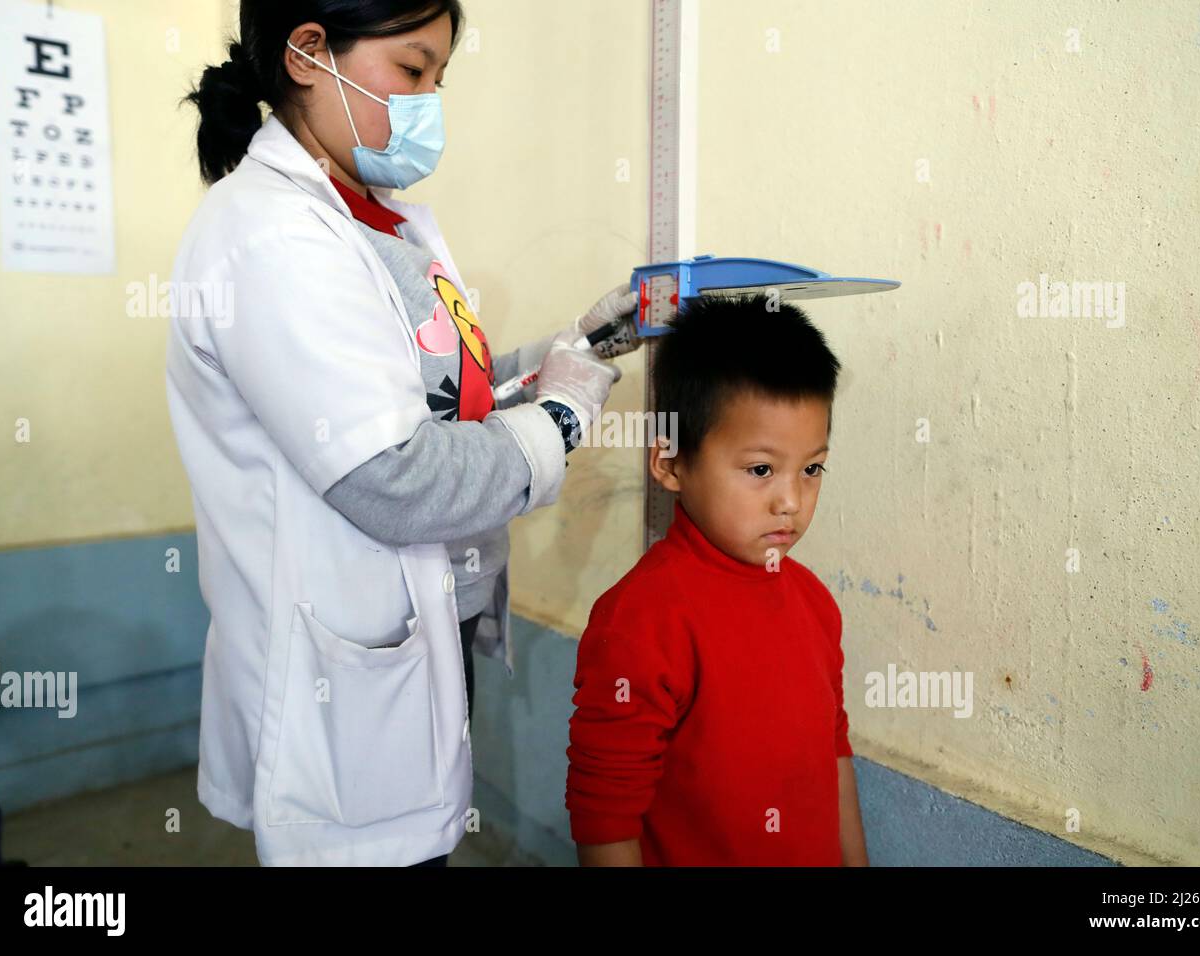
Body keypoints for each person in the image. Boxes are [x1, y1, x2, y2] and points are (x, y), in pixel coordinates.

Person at [168, 0, 639, 866]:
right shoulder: (268, 234)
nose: (430, 103)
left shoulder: (381, 218)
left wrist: (585, 344)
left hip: (426, 624)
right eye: (413, 72)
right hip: (340, 666)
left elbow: (444, 396)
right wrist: (562, 419)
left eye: (440, 79)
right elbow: (393, 472)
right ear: (309, 53)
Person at [565, 293, 869, 866]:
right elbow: (604, 817)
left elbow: (834, 754)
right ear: (671, 463)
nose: (791, 500)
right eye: (760, 470)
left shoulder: (814, 603)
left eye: (812, 468)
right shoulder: (643, 619)